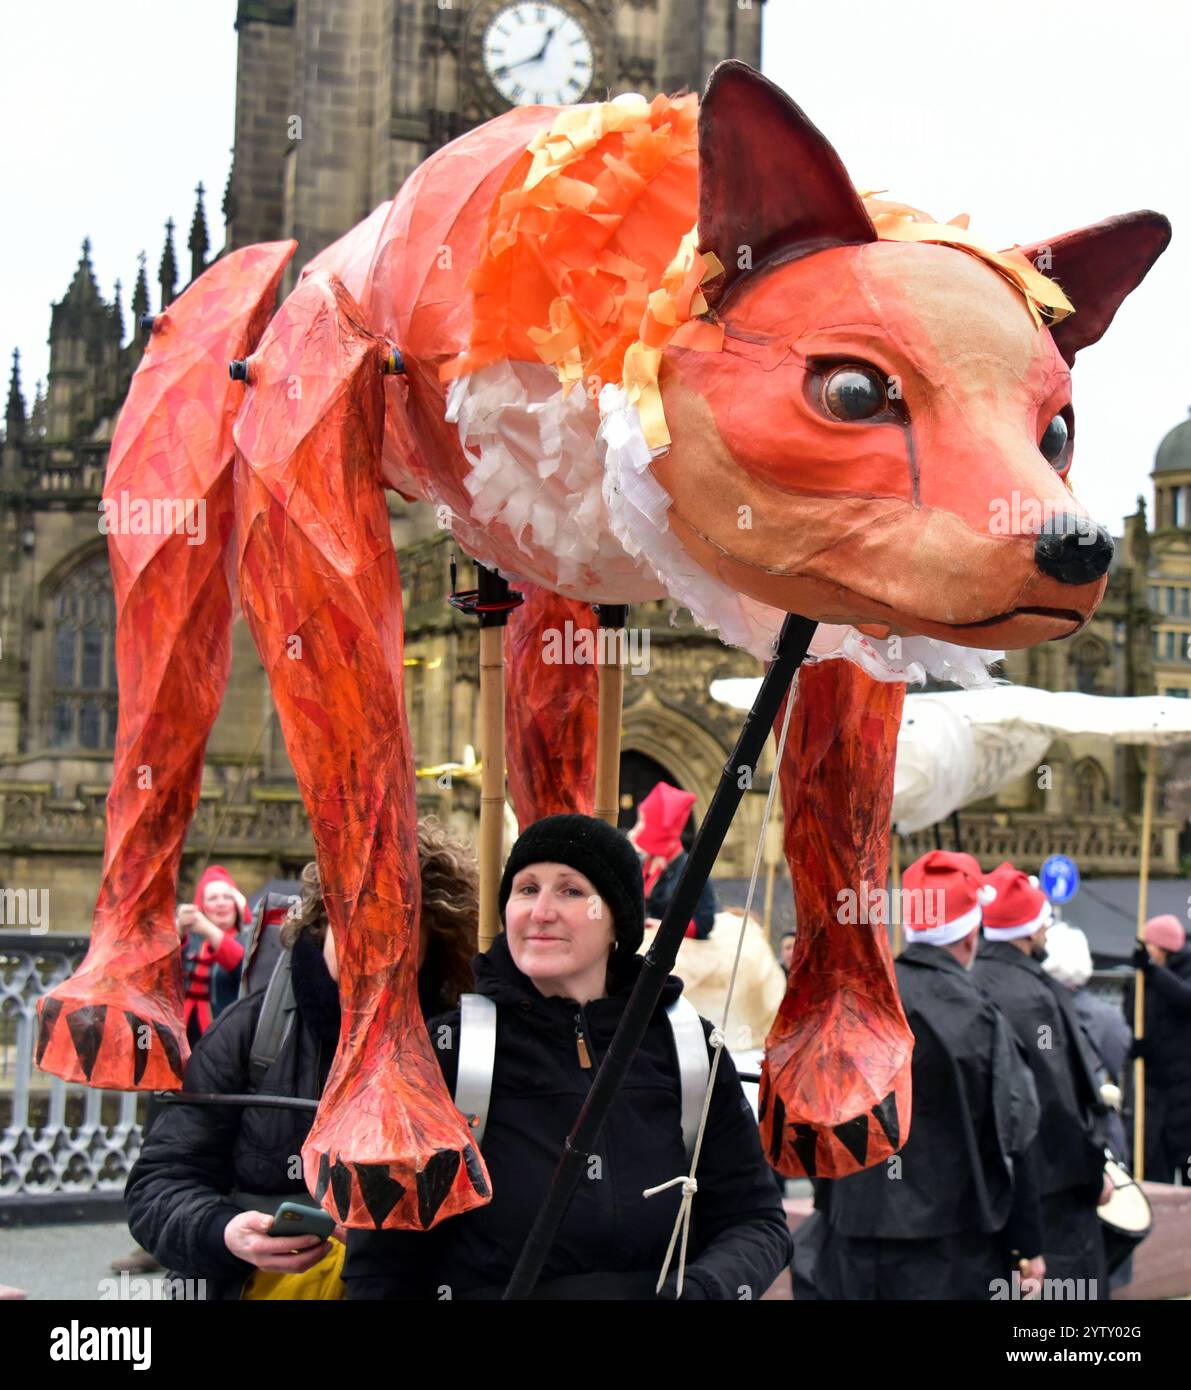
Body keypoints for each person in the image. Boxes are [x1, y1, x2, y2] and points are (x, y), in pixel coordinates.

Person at [344, 813, 791, 1300]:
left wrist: (703, 1290)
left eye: (571, 891)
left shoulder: (690, 1048)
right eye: (526, 889)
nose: (540, 911)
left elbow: (757, 1221)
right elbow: (381, 1263)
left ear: (617, 919)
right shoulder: (443, 1054)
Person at [124, 818, 479, 1300]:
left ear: (431, 937)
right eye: (352, 913)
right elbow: (159, 1184)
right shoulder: (254, 1032)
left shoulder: (464, 1048)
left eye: (397, 921)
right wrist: (226, 1232)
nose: (369, 941)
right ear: (322, 919)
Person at [800, 850, 1044, 1300]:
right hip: (947, 1251)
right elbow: (1013, 1134)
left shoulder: (853, 1001)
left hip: (851, 1239)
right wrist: (1028, 1244)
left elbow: (812, 1116)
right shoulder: (982, 1021)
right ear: (971, 936)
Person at [974, 862, 1111, 1294]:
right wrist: (1094, 1174)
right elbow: (1056, 1106)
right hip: (1051, 1199)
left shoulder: (968, 981)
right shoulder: (1034, 996)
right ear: (1030, 930)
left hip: (990, 1197)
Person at [1044, 923, 1130, 1160]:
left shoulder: (1042, 1018)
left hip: (1056, 1131)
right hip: (1103, 1128)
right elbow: (1118, 1060)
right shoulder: (1109, 1018)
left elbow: (1042, 1058)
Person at [1125, 914, 1191, 1183]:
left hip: (1186, 1089)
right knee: (1152, 1161)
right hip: (1153, 1089)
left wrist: (1153, 971)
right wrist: (1135, 1044)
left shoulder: (1180, 973)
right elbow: (1131, 1019)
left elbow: (1185, 999)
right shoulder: (1140, 981)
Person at [629, 782, 717, 938]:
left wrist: (664, 927)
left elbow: (705, 923)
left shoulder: (692, 871)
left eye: (643, 822)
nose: (635, 830)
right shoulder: (645, 862)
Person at [180, 865, 251, 1046]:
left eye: (227, 897)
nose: (221, 903)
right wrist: (178, 929)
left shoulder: (249, 939)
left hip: (227, 1044)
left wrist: (206, 929)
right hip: (185, 1041)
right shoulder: (190, 943)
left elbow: (242, 967)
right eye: (213, 898)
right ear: (202, 907)